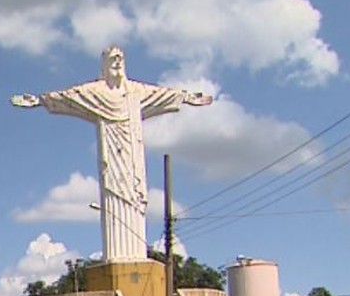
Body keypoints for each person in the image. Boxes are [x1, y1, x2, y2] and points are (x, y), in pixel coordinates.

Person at [12, 46, 212, 261]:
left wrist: (186, 97)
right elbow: (68, 97)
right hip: (110, 156)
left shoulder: (137, 92)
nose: (117, 62)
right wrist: (40, 100)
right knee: (113, 195)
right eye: (113, 58)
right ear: (104, 64)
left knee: (134, 197)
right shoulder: (95, 93)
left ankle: (134, 253)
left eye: (121, 58)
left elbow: (162, 94)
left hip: (133, 157)